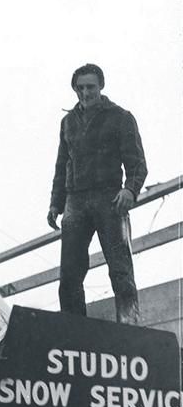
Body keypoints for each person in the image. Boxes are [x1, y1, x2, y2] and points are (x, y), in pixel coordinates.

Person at [46, 63, 147, 324]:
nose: (85, 93)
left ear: (101, 86)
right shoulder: (67, 122)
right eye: (80, 88)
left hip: (110, 199)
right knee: (69, 273)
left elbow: (137, 163)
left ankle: (129, 326)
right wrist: (55, 204)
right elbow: (61, 165)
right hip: (75, 201)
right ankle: (73, 328)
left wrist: (130, 190)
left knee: (120, 269)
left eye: (90, 87)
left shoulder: (120, 117)